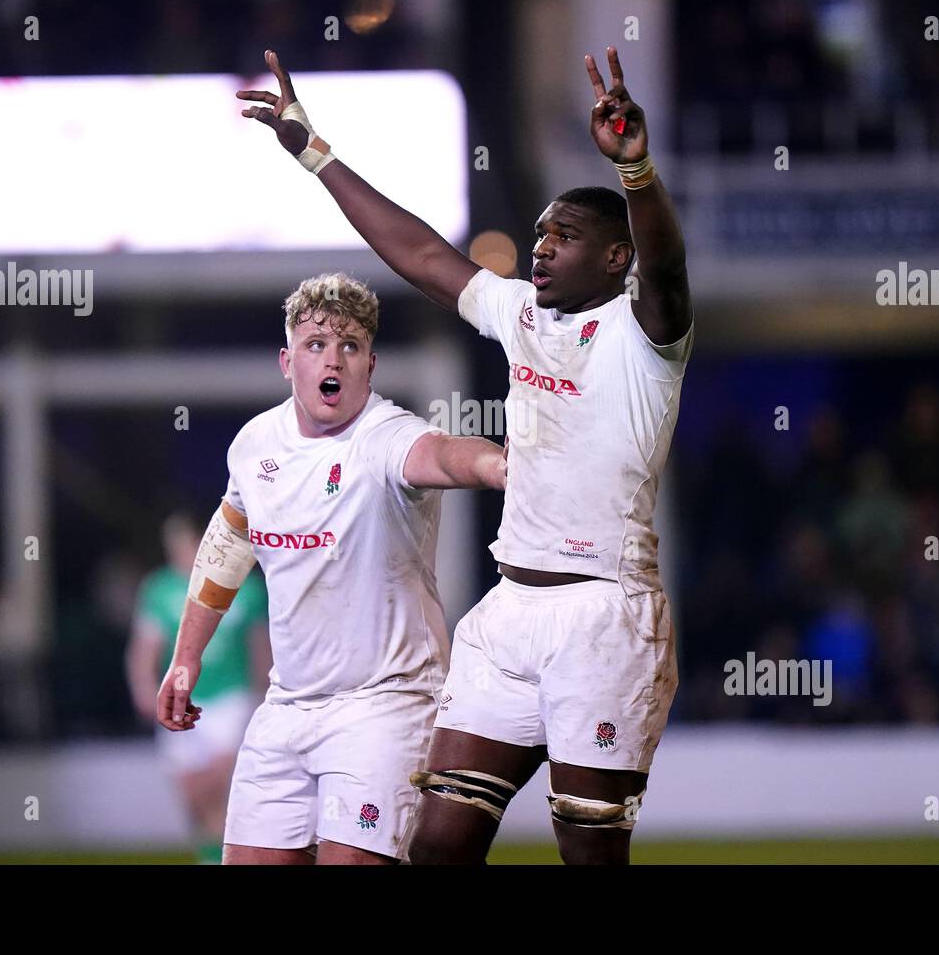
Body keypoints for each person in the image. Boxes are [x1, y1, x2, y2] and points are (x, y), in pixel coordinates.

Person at [238, 45, 693, 864]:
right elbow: (418, 254)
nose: (543, 246)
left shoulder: (646, 335)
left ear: (615, 258)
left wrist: (636, 171)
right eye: (540, 232)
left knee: (589, 850)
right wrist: (317, 156)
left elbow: (665, 265)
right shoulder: (523, 314)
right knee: (438, 842)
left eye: (566, 235)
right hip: (509, 610)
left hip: (604, 616)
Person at [156, 273, 506, 864]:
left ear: (370, 364)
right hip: (288, 706)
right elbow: (228, 545)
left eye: (349, 346)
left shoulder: (386, 436)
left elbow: (442, 455)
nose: (333, 359)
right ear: (287, 361)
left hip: (385, 705)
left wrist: (501, 467)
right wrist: (186, 655)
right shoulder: (254, 445)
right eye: (317, 345)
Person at [126, 512, 270, 864]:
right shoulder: (159, 589)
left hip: (232, 698)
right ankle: (210, 857)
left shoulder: (243, 587)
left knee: (219, 784)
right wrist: (143, 687)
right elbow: (145, 647)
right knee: (192, 795)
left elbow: (261, 648)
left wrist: (264, 697)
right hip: (183, 700)